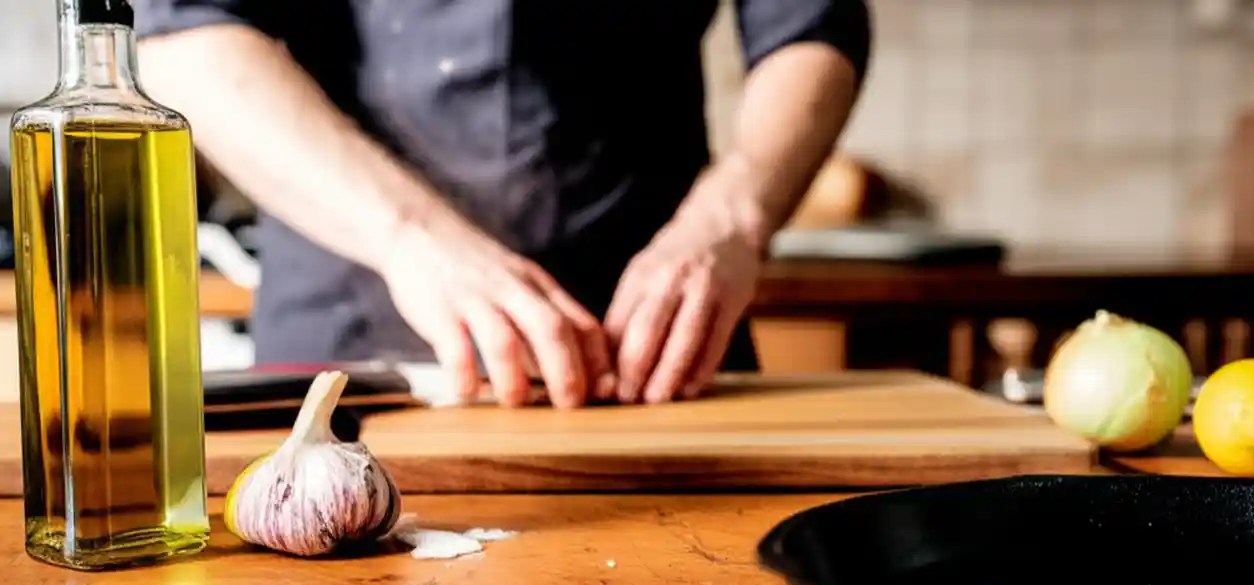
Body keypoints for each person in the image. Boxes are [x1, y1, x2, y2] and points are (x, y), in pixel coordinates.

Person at [132, 1, 871, 408]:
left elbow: (811, 25)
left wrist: (730, 217)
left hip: (658, 350)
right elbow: (186, 32)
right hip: (349, 345)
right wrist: (409, 235)